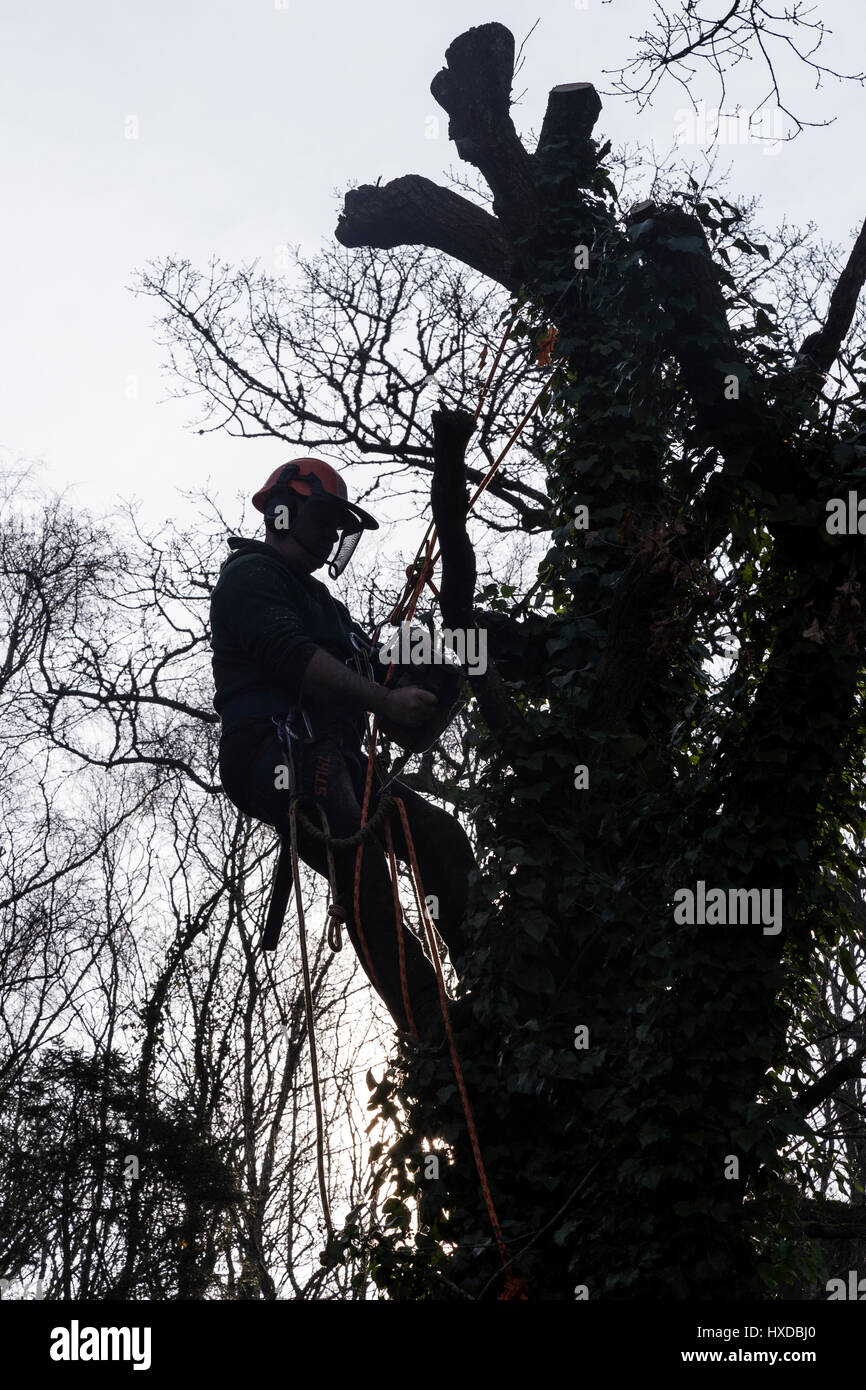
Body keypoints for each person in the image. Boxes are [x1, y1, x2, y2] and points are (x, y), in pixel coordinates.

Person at [209, 457, 475, 1042]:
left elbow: (381, 680)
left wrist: (429, 676)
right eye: (325, 517)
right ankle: (428, 1018)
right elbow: (293, 658)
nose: (332, 534)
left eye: (338, 524)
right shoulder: (249, 577)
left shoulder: (330, 610)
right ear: (285, 509)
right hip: (273, 751)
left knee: (439, 836)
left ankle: (489, 970)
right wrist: (383, 702)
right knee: (358, 855)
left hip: (340, 756)